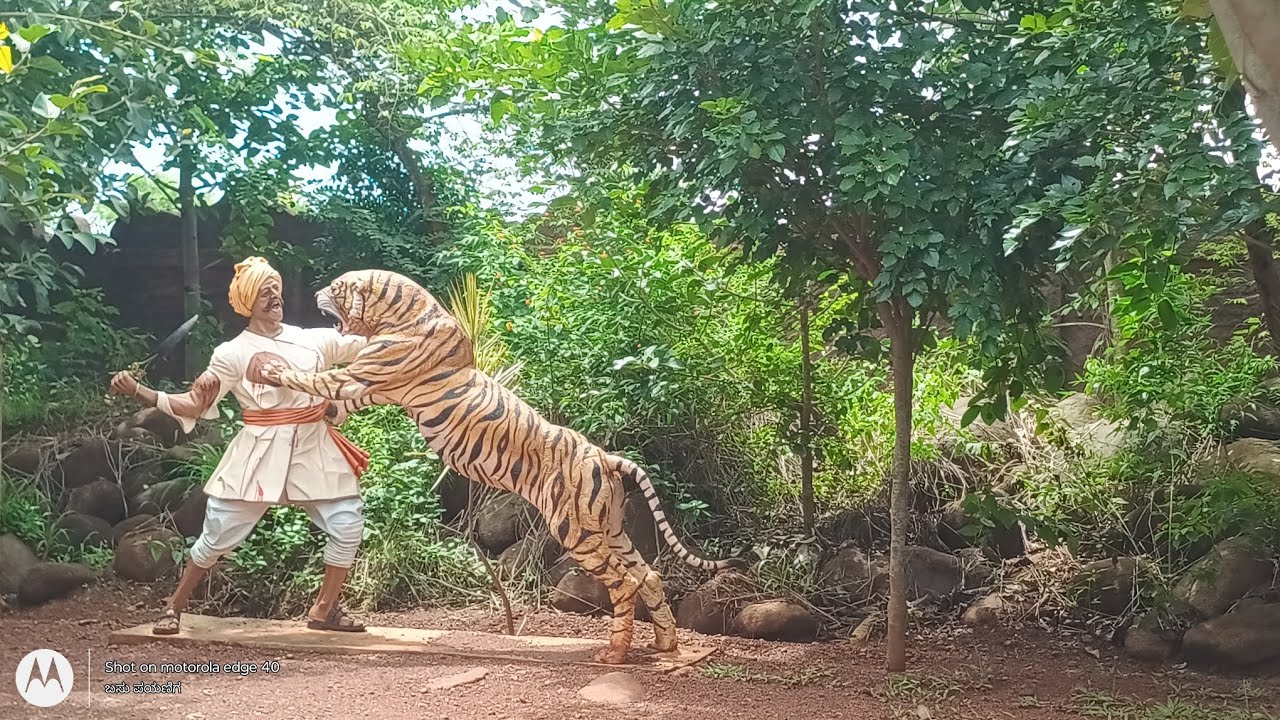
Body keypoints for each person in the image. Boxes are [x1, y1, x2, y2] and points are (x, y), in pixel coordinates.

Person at [109, 256, 373, 634]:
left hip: (313, 445)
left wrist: (414, 333)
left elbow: (363, 346)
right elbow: (194, 404)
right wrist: (140, 391)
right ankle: (174, 605)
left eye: (276, 287)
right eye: (264, 291)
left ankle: (324, 610)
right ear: (247, 302)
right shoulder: (231, 353)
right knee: (216, 535)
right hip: (259, 452)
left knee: (347, 522)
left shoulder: (313, 339)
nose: (274, 295)